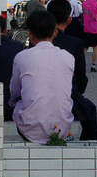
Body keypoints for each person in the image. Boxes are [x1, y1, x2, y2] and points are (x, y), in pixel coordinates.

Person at [9, 9, 75, 144]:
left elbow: (14, 92)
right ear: (55, 33)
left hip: (29, 128)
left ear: (30, 35)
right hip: (63, 126)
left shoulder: (22, 57)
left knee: (18, 105)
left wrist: (13, 102)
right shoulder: (68, 57)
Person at [48, 0, 95, 140]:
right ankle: (89, 145)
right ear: (69, 20)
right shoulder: (75, 43)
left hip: (38, 94)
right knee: (90, 109)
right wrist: (78, 92)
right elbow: (81, 77)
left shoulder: (37, 40)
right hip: (67, 95)